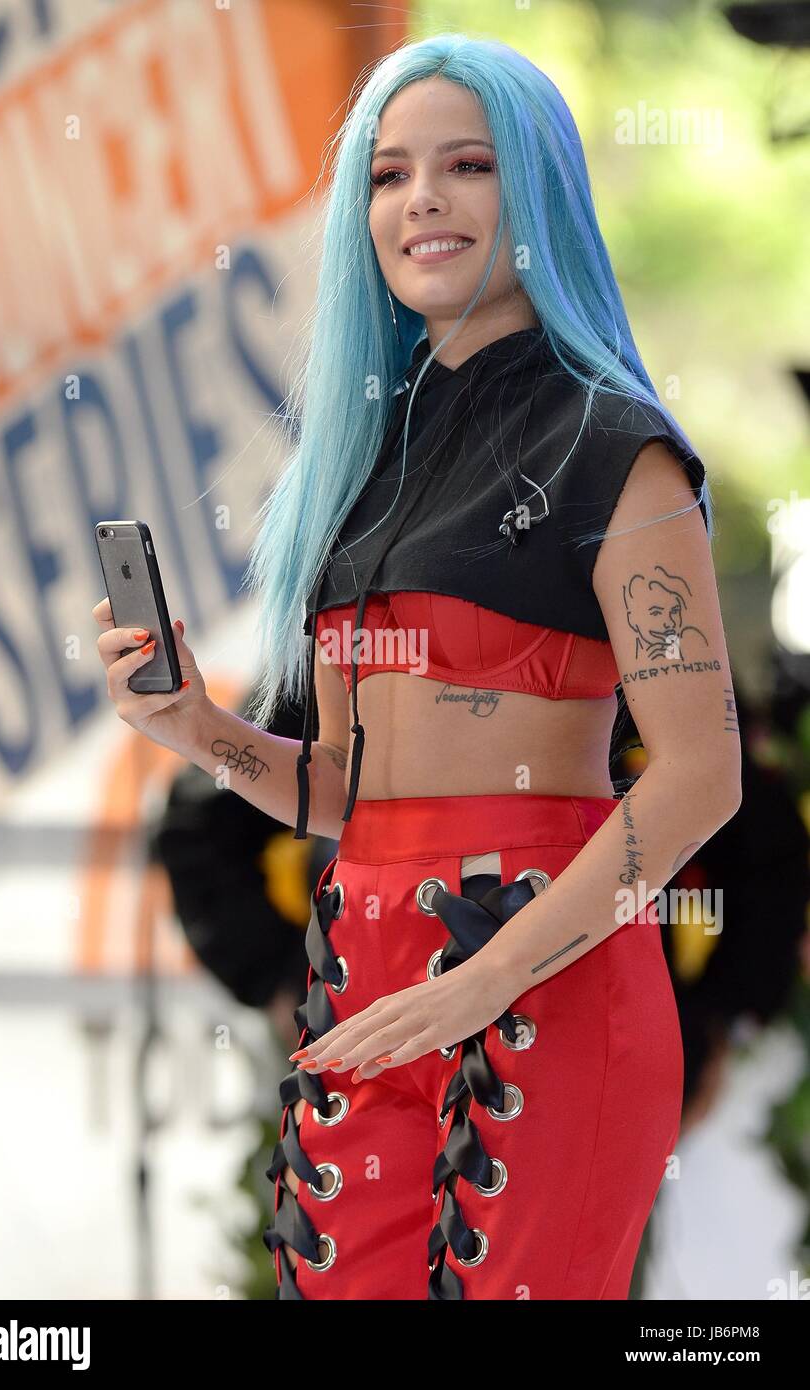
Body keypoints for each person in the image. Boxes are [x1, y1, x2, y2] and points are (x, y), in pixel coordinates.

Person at [93, 33, 742, 1301]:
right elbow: (346, 795)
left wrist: (487, 981)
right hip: (367, 995)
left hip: (542, 983)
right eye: (388, 176)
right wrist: (195, 729)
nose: (421, 200)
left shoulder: (617, 448)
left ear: (539, 191)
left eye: (466, 165)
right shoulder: (359, 465)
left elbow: (702, 774)